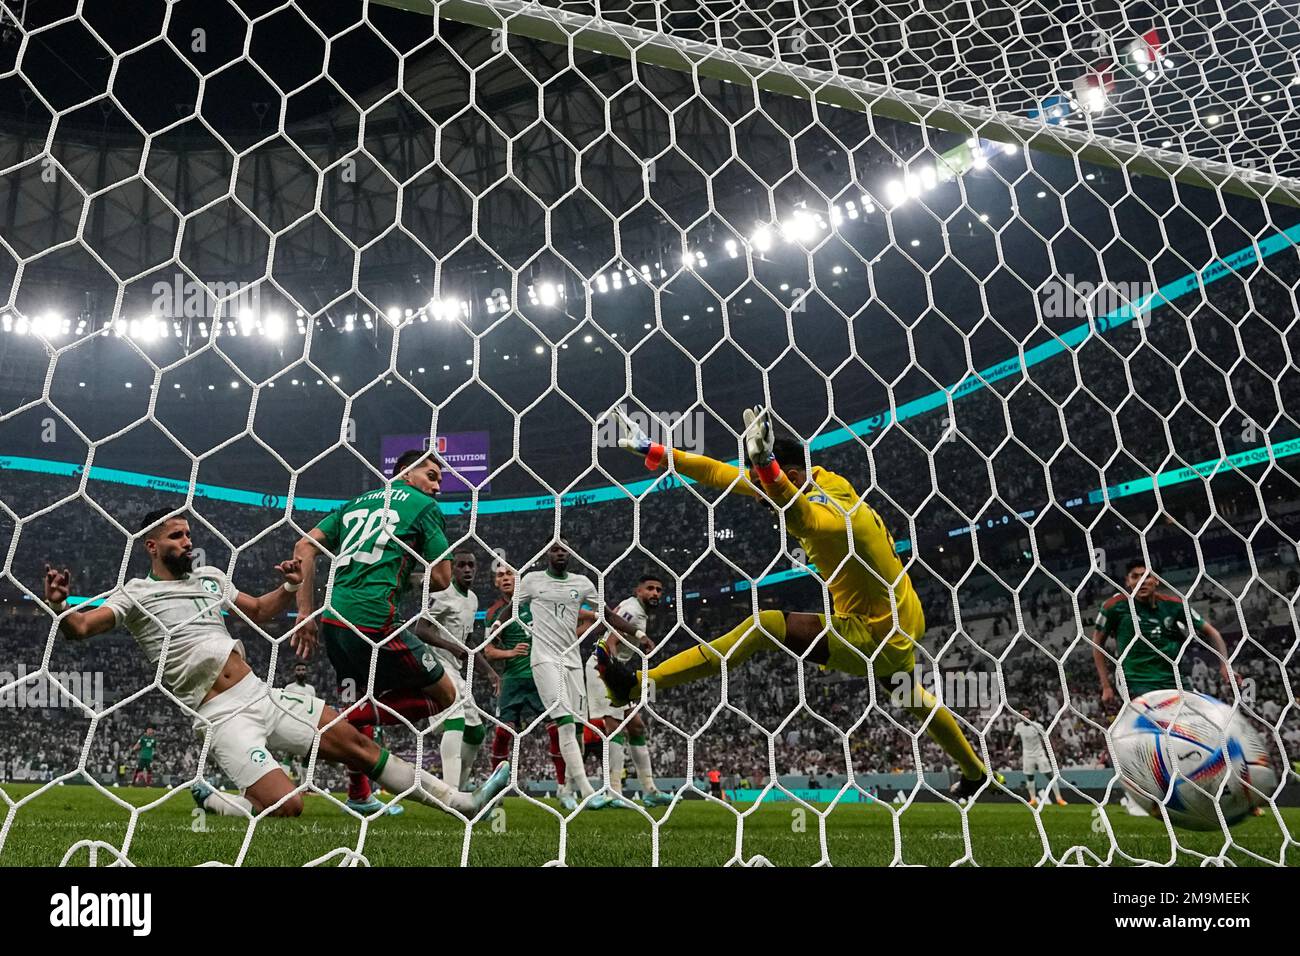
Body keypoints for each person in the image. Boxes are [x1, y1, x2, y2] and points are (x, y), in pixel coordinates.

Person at [598, 408, 1000, 800]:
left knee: (765, 625)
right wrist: (654, 450)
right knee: (913, 699)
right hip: (901, 612)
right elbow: (717, 473)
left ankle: (635, 684)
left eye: (765, 484)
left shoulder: (836, 516)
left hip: (876, 633)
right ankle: (975, 772)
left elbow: (806, 519)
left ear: (789, 477)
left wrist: (767, 466)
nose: (758, 493)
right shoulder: (824, 479)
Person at [44, 510, 508, 821]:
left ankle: (460, 802)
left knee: (357, 746)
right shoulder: (135, 595)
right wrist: (62, 606)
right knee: (289, 806)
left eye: (188, 534)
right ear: (151, 546)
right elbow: (81, 629)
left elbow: (261, 611)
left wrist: (289, 588)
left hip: (261, 694)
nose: (188, 542)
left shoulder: (210, 579)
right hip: (219, 716)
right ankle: (221, 802)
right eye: (176, 536)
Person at [293, 449, 461, 815]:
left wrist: (304, 611)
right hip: (373, 619)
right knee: (446, 694)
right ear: (404, 474)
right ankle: (333, 726)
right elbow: (443, 578)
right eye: (432, 476)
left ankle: (358, 794)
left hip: (333, 618)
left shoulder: (353, 503)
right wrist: (408, 575)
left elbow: (304, 546)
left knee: (358, 696)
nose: (437, 487)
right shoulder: (424, 508)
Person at [514, 539, 646, 811]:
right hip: (544, 660)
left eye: (565, 550)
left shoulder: (583, 583)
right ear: (546, 554)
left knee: (575, 727)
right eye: (555, 549)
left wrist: (639, 634)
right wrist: (494, 627)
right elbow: (511, 608)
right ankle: (588, 792)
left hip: (572, 661)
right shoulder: (531, 580)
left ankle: (566, 790)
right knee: (563, 721)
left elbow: (608, 615)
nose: (560, 553)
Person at [581, 572, 673, 807]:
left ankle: (650, 790)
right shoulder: (632, 609)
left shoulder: (637, 611)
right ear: (638, 591)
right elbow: (610, 640)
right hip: (602, 669)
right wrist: (610, 673)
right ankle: (614, 792)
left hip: (615, 670)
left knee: (637, 727)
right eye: (650, 588)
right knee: (614, 727)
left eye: (659, 590)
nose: (655, 593)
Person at [1091, 559, 1235, 705]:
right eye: (1135, 577)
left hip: (1174, 679)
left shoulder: (1174, 606)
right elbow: (1097, 645)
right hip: (1136, 681)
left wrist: (1225, 665)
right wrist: (1106, 686)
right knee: (1158, 723)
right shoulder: (1114, 606)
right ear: (1127, 582)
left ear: (1156, 580)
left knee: (1199, 718)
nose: (1141, 581)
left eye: (1146, 576)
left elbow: (1212, 632)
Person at [1014, 708, 1064, 807]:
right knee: (1029, 776)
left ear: (1030, 715)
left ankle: (1059, 798)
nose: (1025, 716)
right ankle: (1032, 799)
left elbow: (1046, 738)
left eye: (1027, 714)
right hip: (1027, 754)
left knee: (1049, 775)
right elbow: (1014, 738)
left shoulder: (1037, 726)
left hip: (1039, 753)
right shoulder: (1018, 726)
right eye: (1023, 714)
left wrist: (1052, 750)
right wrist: (1010, 747)